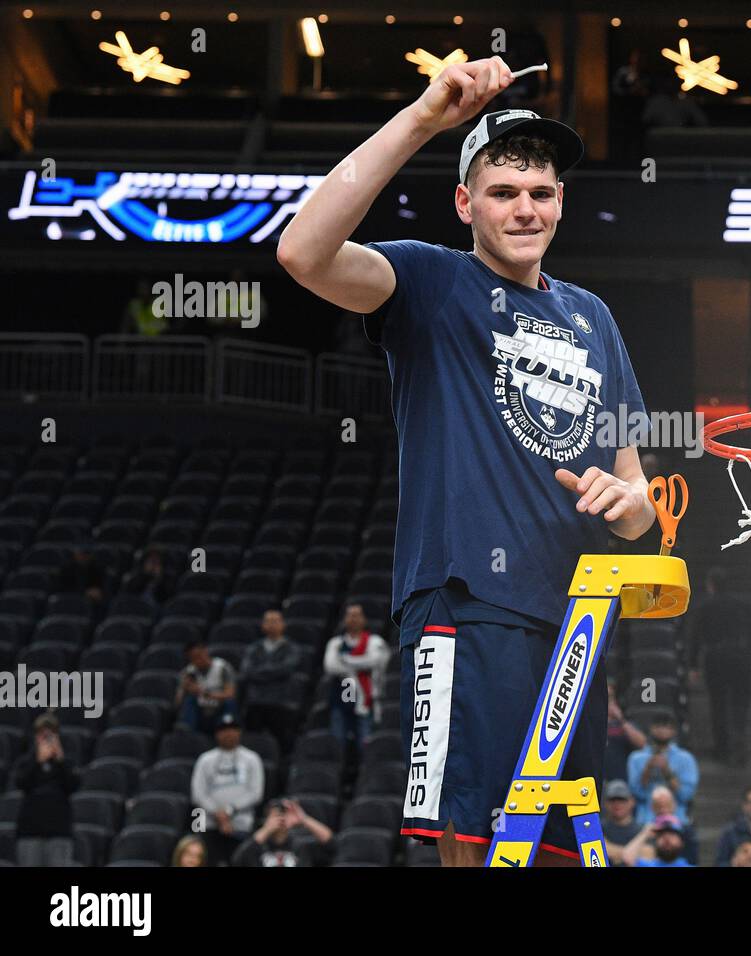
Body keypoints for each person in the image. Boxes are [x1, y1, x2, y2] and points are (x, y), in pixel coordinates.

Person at [278, 58, 654, 868]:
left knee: (556, 853)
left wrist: (632, 504)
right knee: (475, 844)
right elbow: (303, 252)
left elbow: (636, 489)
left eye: (541, 192)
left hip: (578, 621)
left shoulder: (594, 316)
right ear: (464, 203)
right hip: (468, 604)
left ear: (561, 202)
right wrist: (423, 117)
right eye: (503, 191)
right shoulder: (433, 282)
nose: (525, 208)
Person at [687, 567, 751, 766]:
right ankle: (739, 742)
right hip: (740, 656)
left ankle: (722, 747)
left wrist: (693, 665)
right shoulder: (743, 606)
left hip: (715, 657)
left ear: (711, 585)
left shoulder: (704, 607)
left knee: (718, 704)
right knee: (740, 704)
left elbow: (694, 637)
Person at [191, 713, 265, 865]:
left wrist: (229, 810)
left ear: (239, 732)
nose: (228, 733)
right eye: (223, 730)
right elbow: (197, 794)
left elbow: (256, 793)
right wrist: (217, 813)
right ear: (217, 734)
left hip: (241, 825)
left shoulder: (252, 759)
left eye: (232, 729)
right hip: (208, 824)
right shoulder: (205, 759)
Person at [322, 603, 391, 757]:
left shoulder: (374, 641)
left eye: (357, 615)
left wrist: (345, 660)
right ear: (344, 619)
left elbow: (375, 661)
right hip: (341, 699)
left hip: (366, 701)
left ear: (364, 619)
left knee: (366, 744)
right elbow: (331, 666)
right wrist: (360, 665)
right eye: (350, 615)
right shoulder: (336, 643)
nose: (353, 619)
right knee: (339, 742)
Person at [13, 713, 79, 866]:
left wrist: (60, 759)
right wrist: (37, 761)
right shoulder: (26, 761)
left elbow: (74, 785)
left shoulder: (67, 763)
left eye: (51, 734)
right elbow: (21, 782)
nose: (46, 738)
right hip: (30, 832)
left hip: (59, 832)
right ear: (36, 737)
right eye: (42, 734)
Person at [240, 609, 302, 756]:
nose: (272, 624)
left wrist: (260, 673)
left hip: (280, 701)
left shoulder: (291, 648)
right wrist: (273, 673)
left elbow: (286, 669)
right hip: (256, 701)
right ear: (262, 625)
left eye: (275, 621)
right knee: (252, 742)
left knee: (282, 743)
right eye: (268, 621)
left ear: (283, 624)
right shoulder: (254, 648)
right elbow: (247, 671)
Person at [626, 713, 699, 824]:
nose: (662, 731)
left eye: (667, 727)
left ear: (674, 731)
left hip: (677, 820)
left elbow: (686, 795)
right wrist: (648, 769)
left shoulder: (686, 758)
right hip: (645, 820)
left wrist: (667, 771)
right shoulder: (636, 758)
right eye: (658, 726)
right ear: (651, 729)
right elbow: (636, 794)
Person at [232, 798, 335, 867]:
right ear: (266, 819)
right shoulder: (256, 846)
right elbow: (238, 860)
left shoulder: (301, 845)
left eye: (284, 814)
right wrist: (266, 829)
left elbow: (330, 842)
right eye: (275, 816)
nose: (281, 819)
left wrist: (304, 819)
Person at [175, 639, 238, 735]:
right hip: (200, 708)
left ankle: (226, 731)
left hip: (219, 705)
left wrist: (207, 694)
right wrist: (184, 689)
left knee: (229, 703)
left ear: (205, 652)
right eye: (193, 658)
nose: (198, 660)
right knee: (189, 701)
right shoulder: (188, 672)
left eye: (199, 655)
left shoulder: (222, 667)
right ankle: (190, 734)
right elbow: (177, 703)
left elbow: (230, 694)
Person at [604, 680, 646, 783]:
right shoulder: (589, 722)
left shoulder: (624, 724)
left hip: (619, 782)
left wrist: (621, 719)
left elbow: (642, 744)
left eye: (609, 697)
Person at [622, 814, 693, 867]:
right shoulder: (648, 865)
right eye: (662, 834)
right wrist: (645, 833)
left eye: (672, 834)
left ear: (681, 842)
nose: (666, 838)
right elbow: (627, 858)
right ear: (655, 842)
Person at [600, 780, 641, 866]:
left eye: (622, 799)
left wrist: (612, 851)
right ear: (605, 803)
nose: (617, 804)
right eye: (612, 800)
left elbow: (649, 854)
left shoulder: (642, 830)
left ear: (632, 802)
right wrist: (632, 853)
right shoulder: (598, 828)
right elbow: (597, 849)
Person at [56, 542, 106, 612]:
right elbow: (60, 590)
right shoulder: (66, 569)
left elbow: (103, 590)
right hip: (68, 603)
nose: (84, 556)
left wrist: (97, 593)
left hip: (91, 605)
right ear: (75, 553)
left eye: (87, 554)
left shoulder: (98, 569)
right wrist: (84, 592)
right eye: (81, 553)